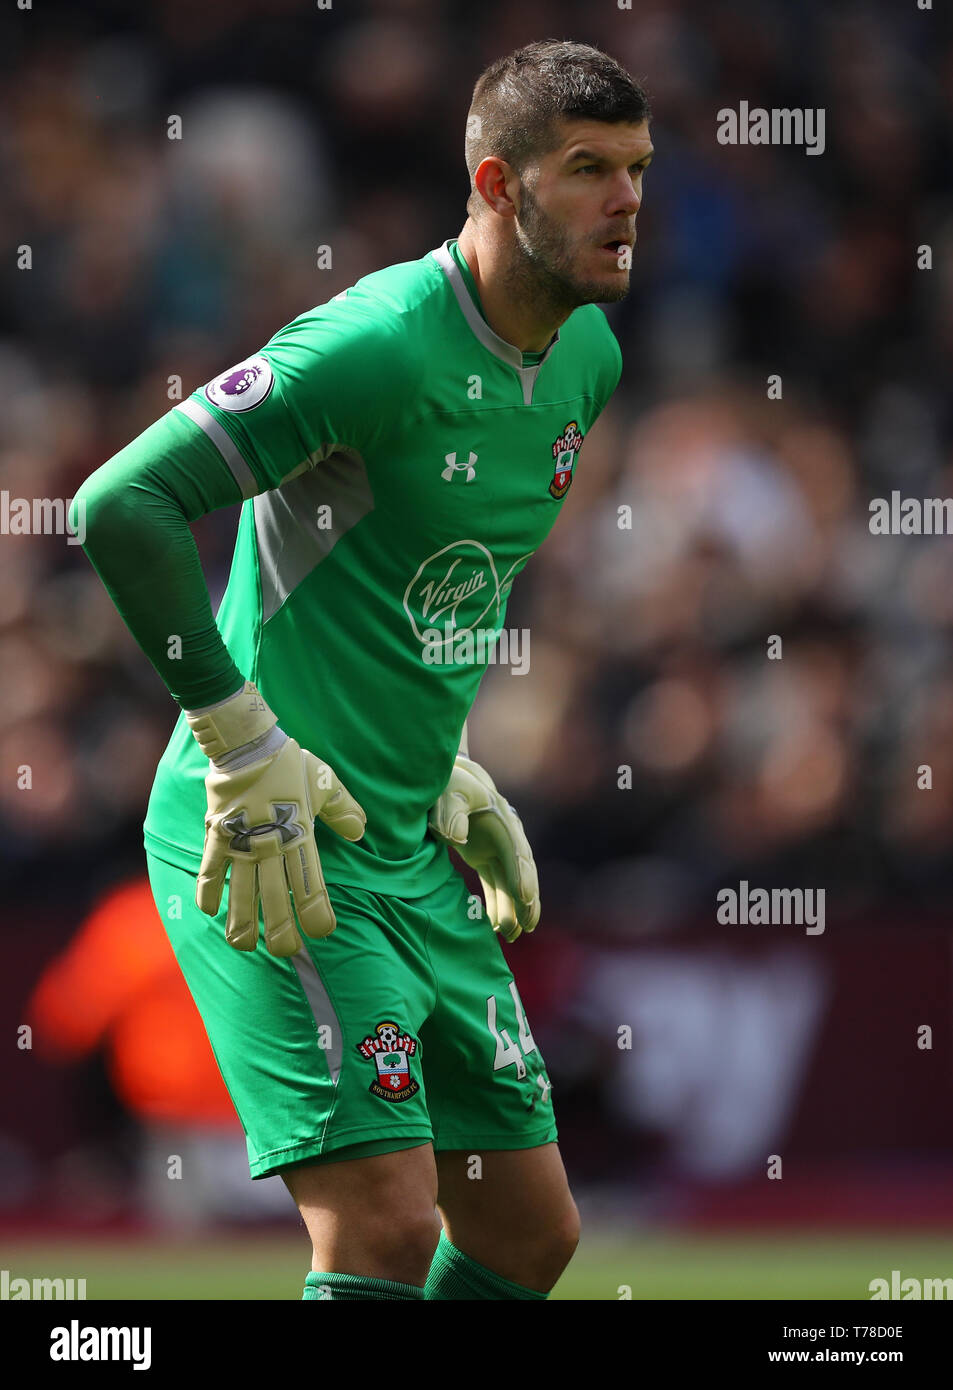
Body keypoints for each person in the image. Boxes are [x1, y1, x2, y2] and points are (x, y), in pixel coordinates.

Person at [71, 38, 652, 1301]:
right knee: (382, 1225)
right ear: (497, 185)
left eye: (638, 169)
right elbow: (120, 506)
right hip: (272, 826)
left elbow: (426, 582)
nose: (626, 202)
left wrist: (445, 763)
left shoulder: (587, 362)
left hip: (405, 835)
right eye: (589, 170)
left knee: (525, 1236)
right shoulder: (376, 343)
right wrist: (239, 736)